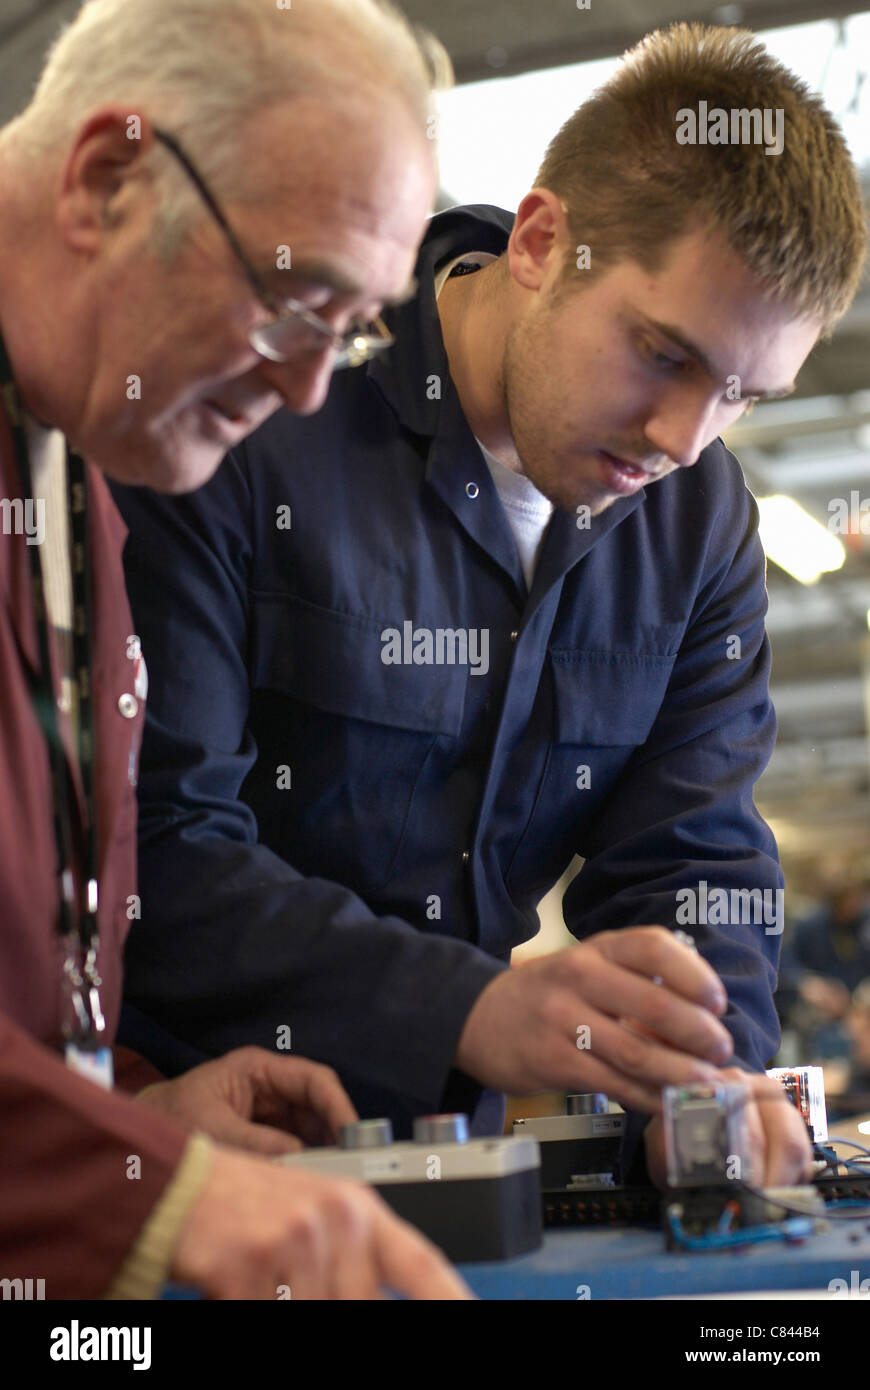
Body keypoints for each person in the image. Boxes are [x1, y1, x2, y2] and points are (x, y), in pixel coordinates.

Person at [111, 23, 867, 1192]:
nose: (683, 439)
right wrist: (471, 1006)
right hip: (180, 1140)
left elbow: (689, 851)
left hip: (459, 1165)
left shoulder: (700, 520)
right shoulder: (261, 402)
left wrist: (704, 1087)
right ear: (541, 239)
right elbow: (161, 846)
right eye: (662, 353)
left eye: (740, 396)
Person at [0, 0, 472, 1300]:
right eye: (293, 302)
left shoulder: (84, 480)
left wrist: (137, 1124)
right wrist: (149, 1195)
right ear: (107, 179)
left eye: (356, 326)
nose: (313, 389)